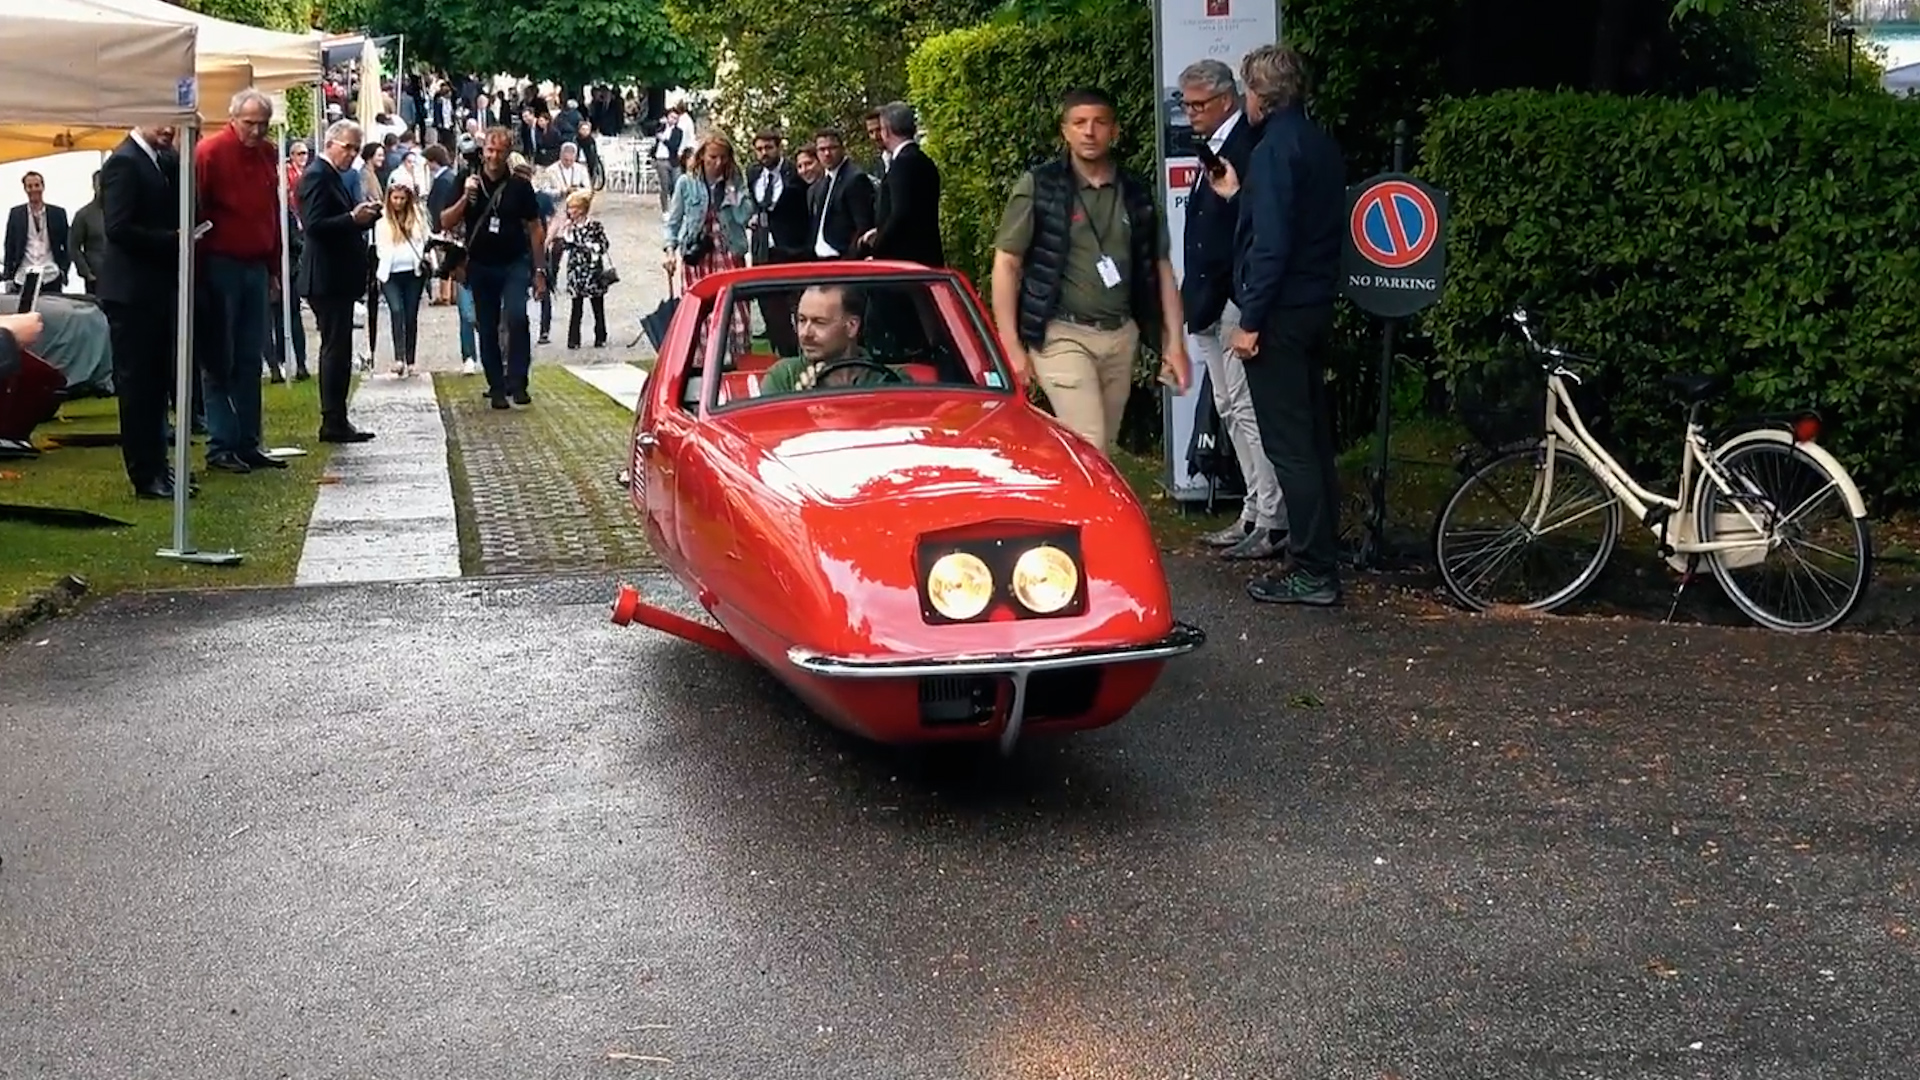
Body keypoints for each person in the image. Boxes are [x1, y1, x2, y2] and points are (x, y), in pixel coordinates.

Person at [1210, 44, 1348, 607]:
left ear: (1260, 96)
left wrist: (1250, 321)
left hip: (1280, 313)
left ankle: (1313, 570)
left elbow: (1270, 245)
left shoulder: (1270, 152)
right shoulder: (1318, 144)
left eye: (1247, 90)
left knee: (1290, 445)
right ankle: (1320, 556)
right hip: (1314, 305)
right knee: (1313, 440)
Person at [989, 87, 1191, 456]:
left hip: (1120, 335)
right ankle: (1088, 514)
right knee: (1089, 442)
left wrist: (1174, 343)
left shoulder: (1136, 191)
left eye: (1099, 123)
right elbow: (1007, 262)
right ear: (1064, 131)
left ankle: (1067, 508)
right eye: (1079, 123)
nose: (1089, 131)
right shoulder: (1040, 187)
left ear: (1114, 131)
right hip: (1060, 333)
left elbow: (1161, 268)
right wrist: (1011, 346)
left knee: (1102, 449)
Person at [1178, 57, 1285, 561]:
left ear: (1227, 99)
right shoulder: (1217, 146)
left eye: (1199, 105)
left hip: (1232, 300)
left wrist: (1240, 305)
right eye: (1186, 103)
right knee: (1228, 409)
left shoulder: (1249, 144)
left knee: (1245, 410)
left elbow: (1254, 227)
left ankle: (1272, 517)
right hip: (1209, 299)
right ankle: (1253, 509)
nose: (1191, 113)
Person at [194, 88, 287, 474]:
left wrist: (274, 268)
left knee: (250, 358)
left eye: (263, 124)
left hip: (255, 264)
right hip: (220, 264)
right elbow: (197, 210)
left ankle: (248, 442)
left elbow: (271, 211)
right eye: (250, 123)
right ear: (233, 119)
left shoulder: (266, 154)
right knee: (220, 358)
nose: (256, 130)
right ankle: (221, 444)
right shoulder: (210, 153)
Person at [99, 123, 193, 499]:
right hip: (131, 292)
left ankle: (160, 466)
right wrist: (171, 241)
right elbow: (118, 227)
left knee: (157, 384)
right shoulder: (124, 162)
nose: (170, 128)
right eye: (161, 120)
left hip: (154, 289)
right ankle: (145, 472)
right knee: (138, 386)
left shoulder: (160, 161)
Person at [441, 127, 544, 409]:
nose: (493, 156)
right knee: (486, 325)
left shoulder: (520, 186)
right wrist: (466, 197)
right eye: (489, 149)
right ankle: (496, 385)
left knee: (516, 317)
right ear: (482, 149)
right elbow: (445, 221)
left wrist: (539, 270)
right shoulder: (466, 180)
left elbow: (535, 227)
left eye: (500, 151)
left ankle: (518, 381)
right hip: (481, 263)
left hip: (513, 261)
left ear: (508, 153)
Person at [297, 118, 382, 443]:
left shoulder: (331, 175)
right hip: (326, 276)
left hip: (338, 275)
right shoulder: (318, 175)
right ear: (331, 143)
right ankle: (332, 419)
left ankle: (337, 416)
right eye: (348, 147)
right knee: (335, 348)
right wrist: (351, 218)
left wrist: (359, 218)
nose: (351, 154)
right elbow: (315, 225)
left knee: (340, 347)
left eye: (356, 149)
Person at [756, 284, 906, 395]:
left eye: (819, 322)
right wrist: (802, 402)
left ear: (851, 326)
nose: (805, 333)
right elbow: (772, 433)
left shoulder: (890, 379)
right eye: (801, 320)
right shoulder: (784, 377)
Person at [552, 189, 612, 349]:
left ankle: (600, 336)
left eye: (572, 208)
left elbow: (604, 244)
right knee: (576, 306)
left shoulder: (595, 226)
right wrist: (566, 231)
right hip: (576, 271)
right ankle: (573, 340)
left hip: (592, 271)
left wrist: (593, 247)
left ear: (580, 209)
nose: (569, 211)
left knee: (597, 305)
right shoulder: (570, 228)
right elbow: (566, 245)